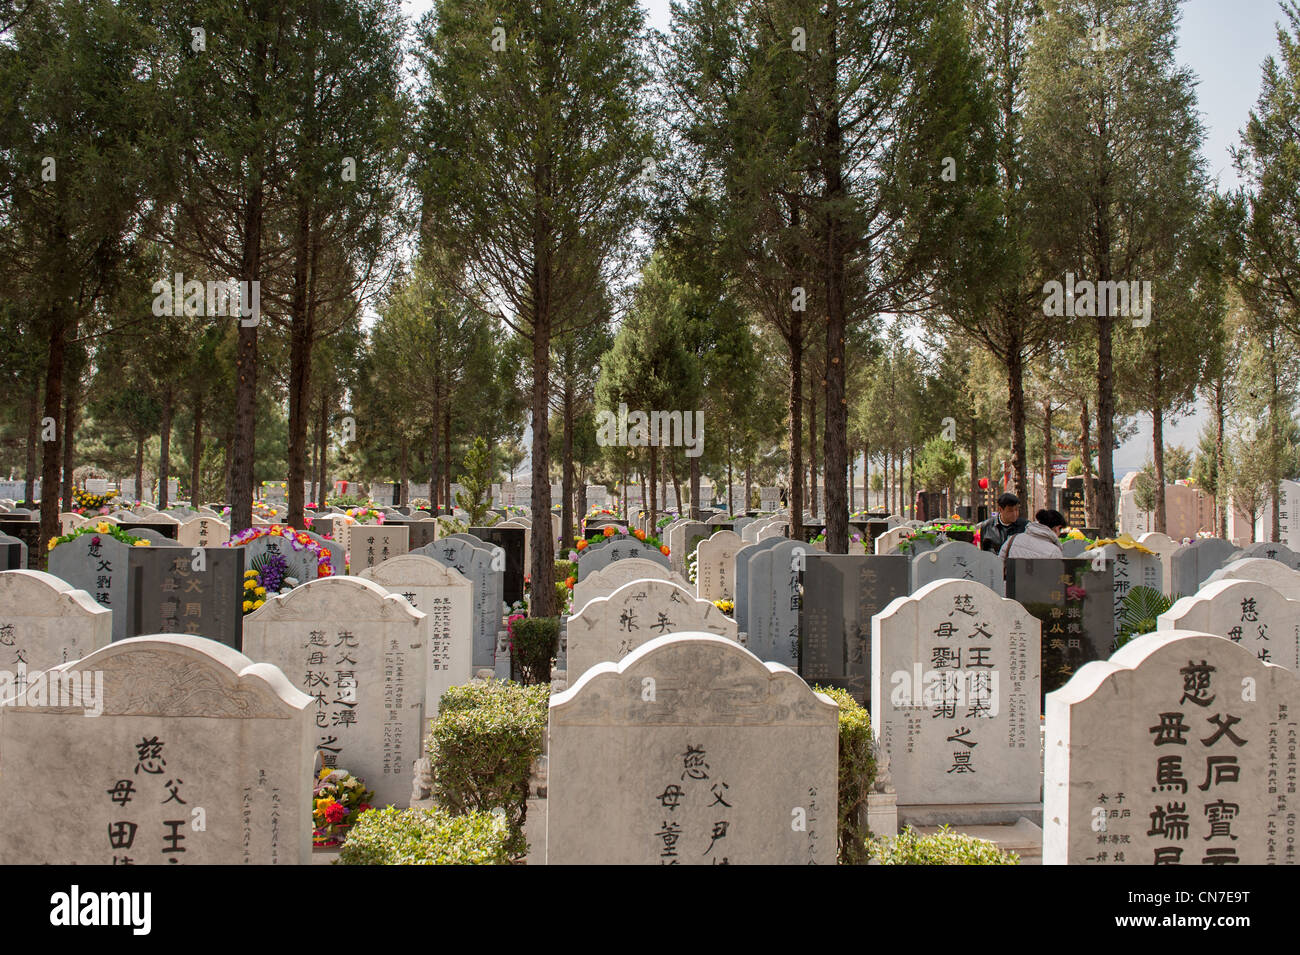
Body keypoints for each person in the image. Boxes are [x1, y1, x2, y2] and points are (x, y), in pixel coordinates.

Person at [1000, 509, 1067, 559]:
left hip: (1011, 578)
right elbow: (1056, 575)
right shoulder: (1054, 551)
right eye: (1060, 530)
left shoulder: (1013, 539)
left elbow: (999, 564)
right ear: (1056, 528)